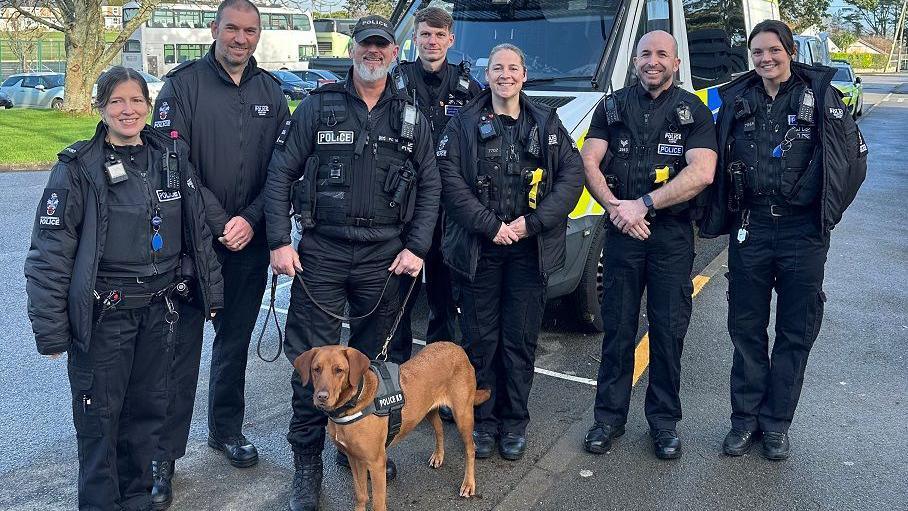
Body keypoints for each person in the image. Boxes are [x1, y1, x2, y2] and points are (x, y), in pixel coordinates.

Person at [24, 66, 223, 511]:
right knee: (101, 424)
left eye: (135, 101)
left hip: (160, 315)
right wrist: (51, 332)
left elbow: (197, 230)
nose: (127, 110)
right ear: (101, 108)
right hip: (104, 319)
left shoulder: (170, 157)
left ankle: (138, 501)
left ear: (148, 107)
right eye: (116, 101)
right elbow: (48, 254)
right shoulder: (77, 169)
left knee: (147, 422)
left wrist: (212, 295)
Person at [264, 15, 441, 511]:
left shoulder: (410, 116)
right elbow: (281, 173)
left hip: (385, 257)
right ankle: (308, 466)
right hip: (322, 252)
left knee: (374, 366)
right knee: (312, 368)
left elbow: (430, 186)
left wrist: (418, 247)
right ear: (353, 49)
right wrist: (279, 241)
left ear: (393, 52)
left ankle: (363, 445)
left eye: (383, 46)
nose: (374, 53)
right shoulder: (318, 107)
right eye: (366, 44)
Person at [699, 20, 867, 460]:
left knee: (795, 331)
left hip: (802, 232)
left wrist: (826, 213)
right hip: (750, 228)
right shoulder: (736, 99)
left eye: (773, 50)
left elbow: (853, 162)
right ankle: (744, 420)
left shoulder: (823, 98)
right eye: (757, 52)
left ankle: (776, 424)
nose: (765, 59)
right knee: (746, 329)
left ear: (790, 51)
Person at [149, 0, 289, 505]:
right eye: (232, 28)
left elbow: (282, 169)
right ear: (215, 29)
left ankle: (225, 430)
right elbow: (172, 158)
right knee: (177, 354)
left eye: (250, 30)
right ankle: (162, 456)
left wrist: (250, 221)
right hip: (190, 244)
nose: (241, 38)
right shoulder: (182, 85)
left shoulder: (272, 92)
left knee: (233, 346)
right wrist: (216, 221)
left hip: (247, 245)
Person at [437, 43, 584, 461]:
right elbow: (450, 182)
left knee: (519, 341)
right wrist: (491, 226)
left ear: (524, 75)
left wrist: (530, 224)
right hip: (478, 249)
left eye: (513, 68)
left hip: (527, 250)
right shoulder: (462, 124)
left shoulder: (547, 122)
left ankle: (514, 421)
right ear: (487, 76)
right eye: (497, 67)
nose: (505, 74)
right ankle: (482, 422)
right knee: (481, 342)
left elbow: (571, 179)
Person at [580, 30, 717, 460]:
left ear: (676, 63)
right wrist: (619, 209)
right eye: (644, 54)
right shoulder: (613, 106)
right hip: (622, 234)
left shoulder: (693, 111)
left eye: (662, 54)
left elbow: (703, 173)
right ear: (634, 61)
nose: (652, 61)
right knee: (617, 330)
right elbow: (589, 160)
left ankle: (663, 424)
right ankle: (608, 419)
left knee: (667, 332)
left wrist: (643, 205)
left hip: (671, 238)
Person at [387, 6, 482, 368]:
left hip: (448, 212)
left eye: (439, 35)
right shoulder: (394, 82)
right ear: (415, 37)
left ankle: (440, 378)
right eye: (425, 34)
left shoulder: (468, 88)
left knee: (444, 300)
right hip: (402, 208)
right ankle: (393, 380)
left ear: (451, 39)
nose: (432, 41)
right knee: (398, 298)